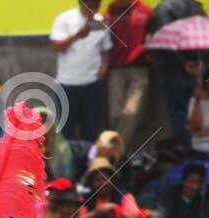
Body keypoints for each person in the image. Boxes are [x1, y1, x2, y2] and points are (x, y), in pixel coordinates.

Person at [49, 0, 111, 144]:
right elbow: (55, 47)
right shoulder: (65, 19)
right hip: (68, 83)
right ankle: (68, 163)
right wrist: (77, 36)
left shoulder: (100, 22)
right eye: (90, 5)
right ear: (81, 4)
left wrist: (104, 67)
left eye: (96, 6)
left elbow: (105, 49)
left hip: (92, 83)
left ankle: (87, 161)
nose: (93, 10)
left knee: (91, 129)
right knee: (67, 130)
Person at [103, 0, 151, 145]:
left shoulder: (145, 13)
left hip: (139, 67)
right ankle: (117, 150)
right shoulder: (109, 13)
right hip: (116, 68)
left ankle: (115, 152)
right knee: (115, 114)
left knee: (130, 112)